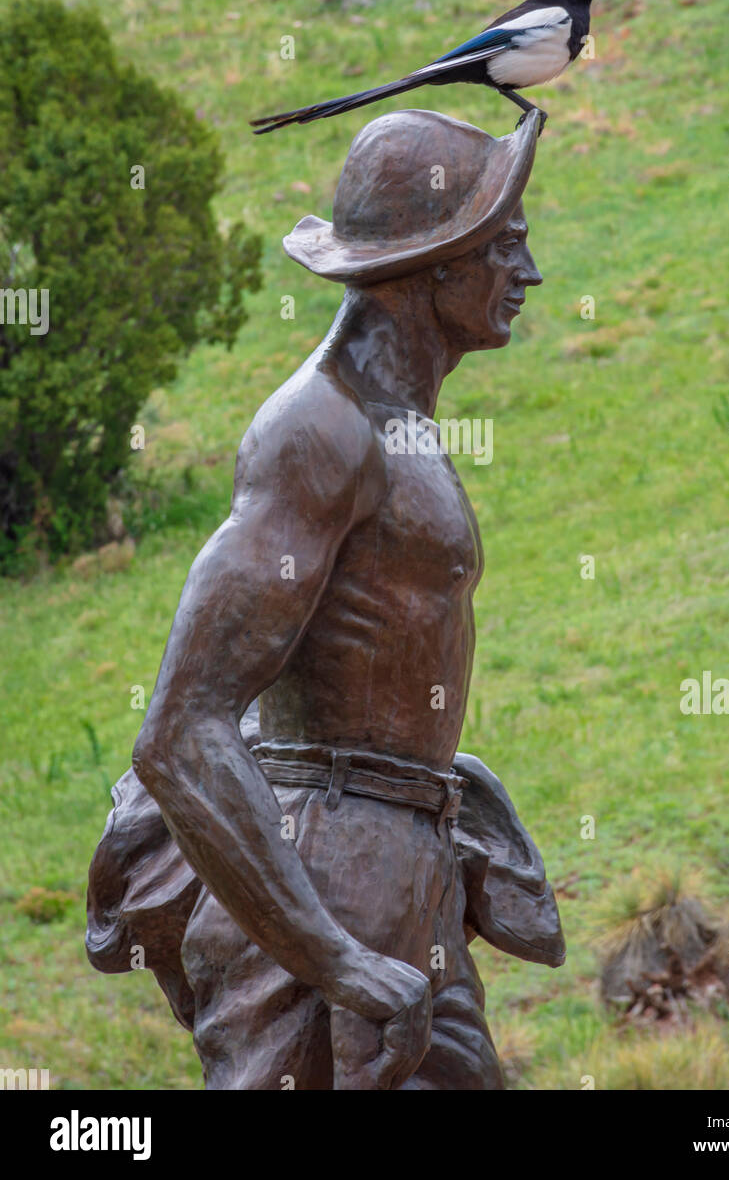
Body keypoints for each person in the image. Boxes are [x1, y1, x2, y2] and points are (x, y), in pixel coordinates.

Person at [86, 107, 565, 1090]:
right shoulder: (321, 430)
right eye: (504, 247)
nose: (528, 273)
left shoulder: (394, 426)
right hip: (328, 877)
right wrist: (333, 956)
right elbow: (180, 728)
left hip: (399, 865)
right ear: (437, 261)